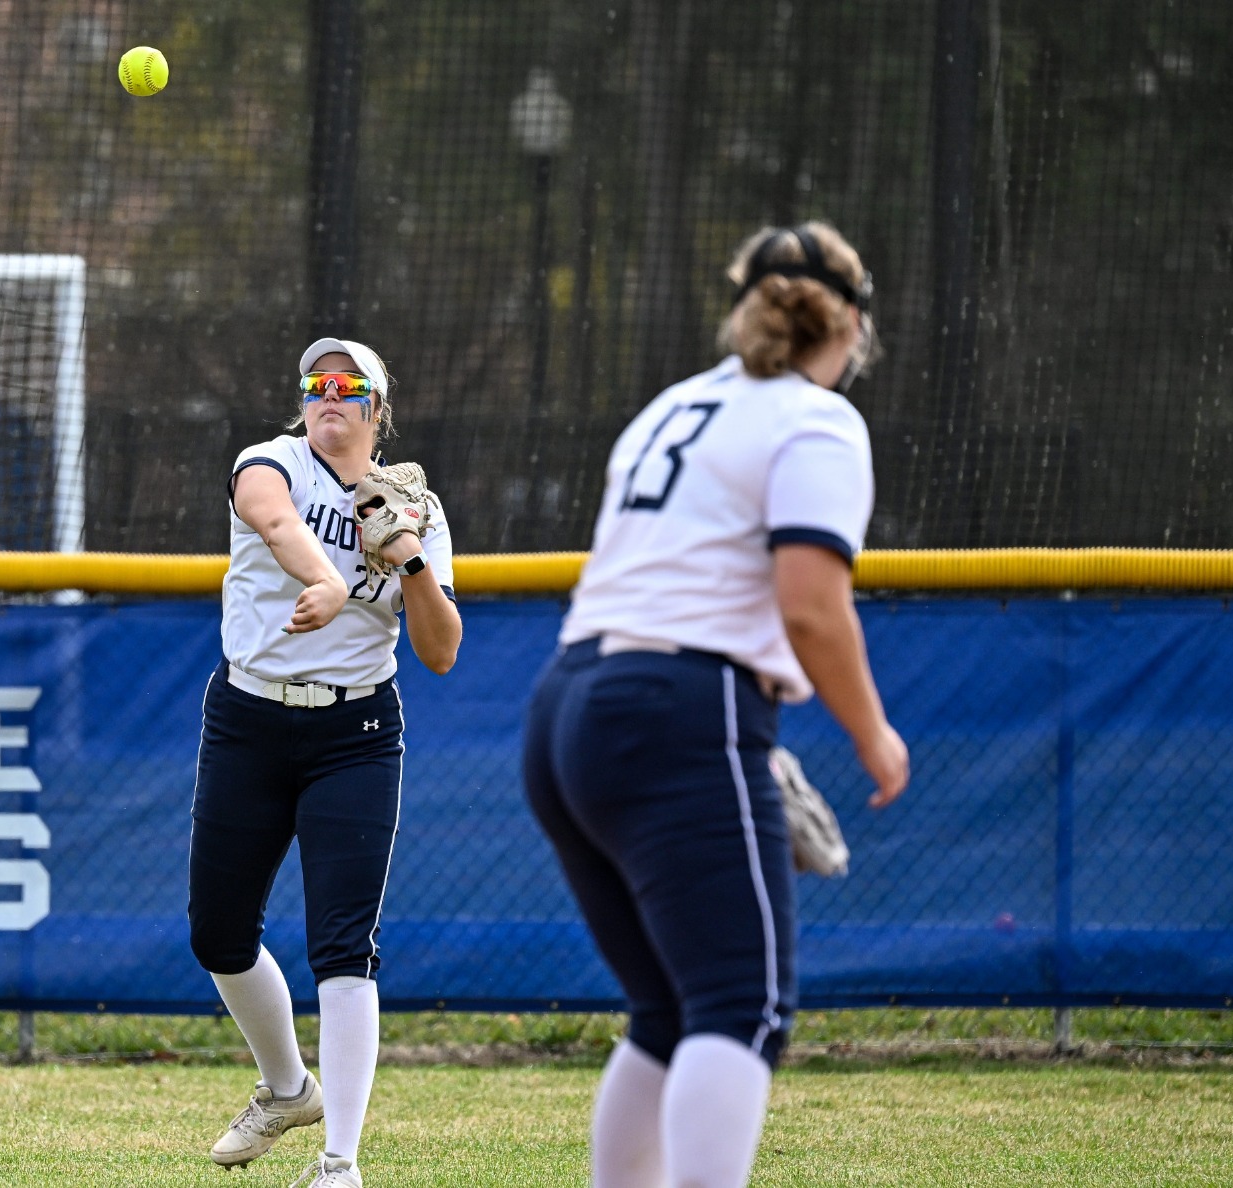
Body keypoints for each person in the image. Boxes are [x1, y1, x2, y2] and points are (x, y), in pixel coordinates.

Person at [523, 222, 910, 1188]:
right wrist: (872, 733)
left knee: (668, 1010)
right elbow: (810, 606)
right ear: (850, 324)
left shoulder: (673, 404)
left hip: (568, 705)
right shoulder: (817, 420)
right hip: (676, 707)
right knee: (742, 1005)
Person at [189, 338, 462, 1188]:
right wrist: (333, 578)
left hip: (357, 732)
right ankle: (286, 1089)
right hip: (248, 718)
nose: (328, 395)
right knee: (218, 934)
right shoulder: (272, 462)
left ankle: (340, 1160)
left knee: (344, 946)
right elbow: (274, 523)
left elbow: (441, 651)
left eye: (347, 384)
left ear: (377, 408)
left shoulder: (418, 509)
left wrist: (410, 555)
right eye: (316, 383)